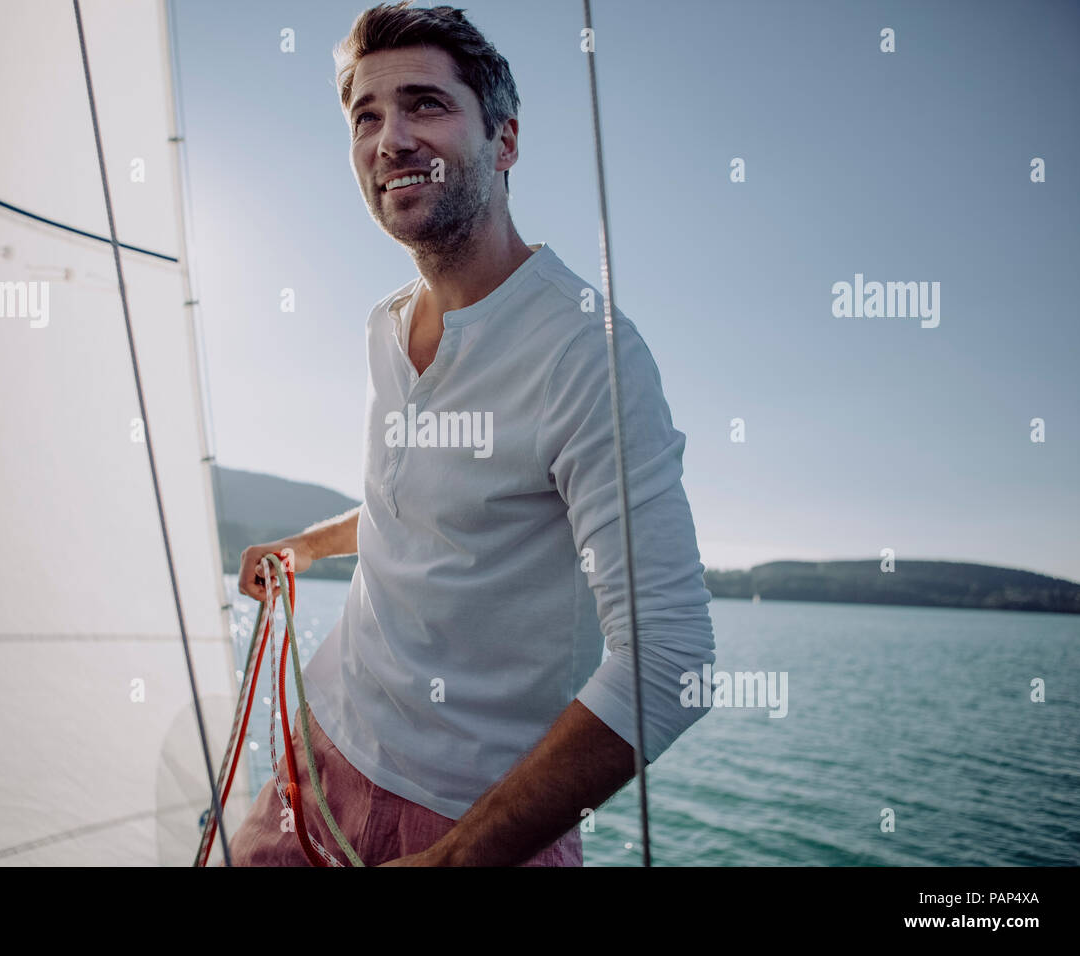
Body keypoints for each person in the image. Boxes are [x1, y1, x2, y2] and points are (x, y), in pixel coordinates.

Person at [228, 1, 716, 867]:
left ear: (506, 140)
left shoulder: (587, 354)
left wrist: (459, 861)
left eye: (426, 104)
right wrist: (308, 544)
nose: (391, 139)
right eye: (366, 116)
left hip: (466, 824)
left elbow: (672, 664)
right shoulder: (384, 326)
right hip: (317, 754)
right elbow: (418, 505)